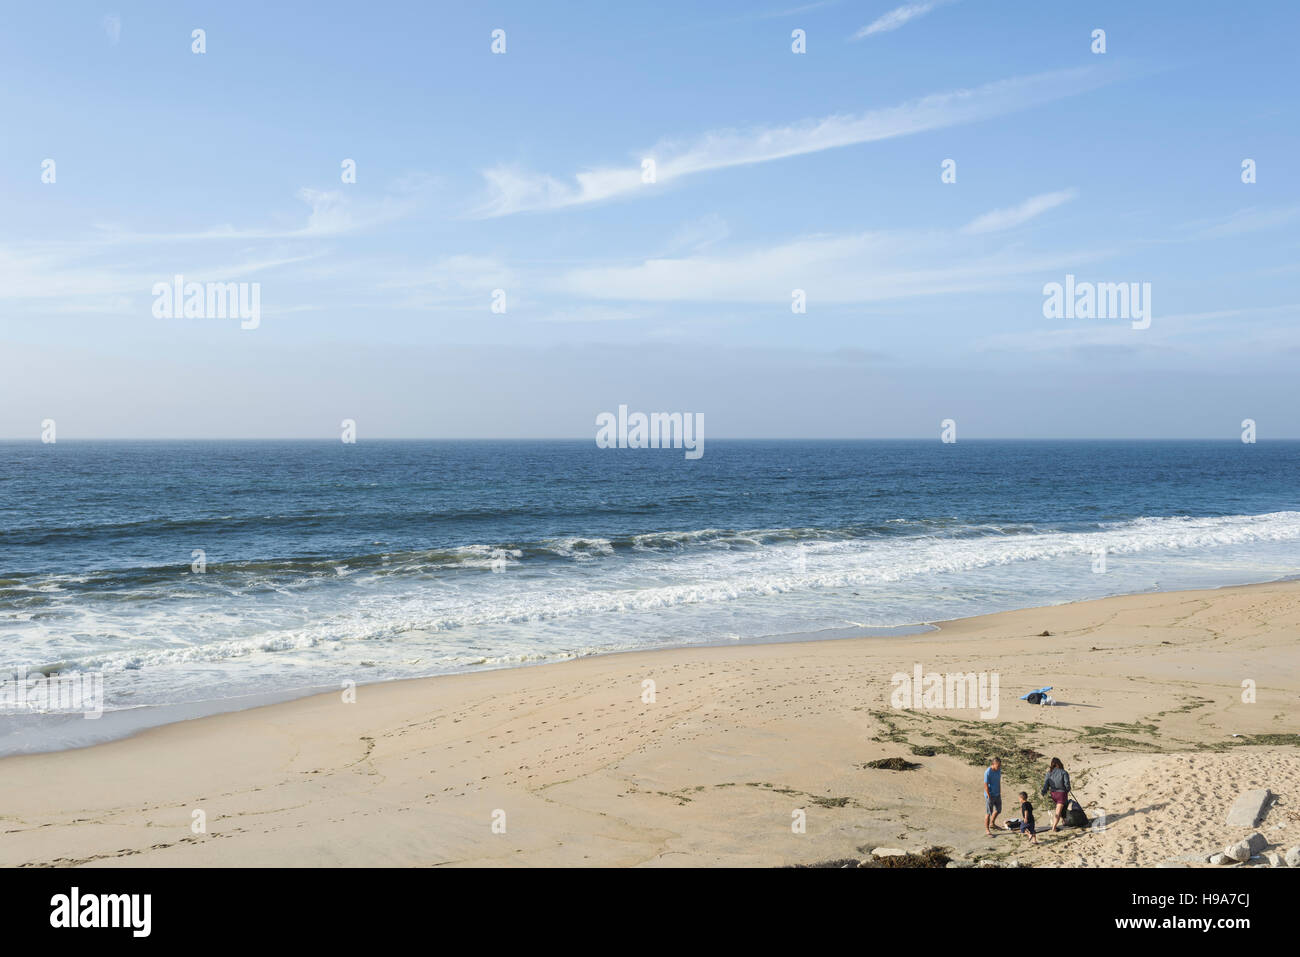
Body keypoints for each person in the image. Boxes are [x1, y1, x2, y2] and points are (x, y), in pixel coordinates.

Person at [1041, 757, 1071, 832]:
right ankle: (1054, 827)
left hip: (1053, 794)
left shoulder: (1049, 773)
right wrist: (1067, 790)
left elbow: (1046, 785)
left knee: (1061, 808)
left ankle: (1064, 821)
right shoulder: (1064, 772)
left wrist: (1043, 792)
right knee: (1058, 811)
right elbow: (1067, 784)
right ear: (1060, 763)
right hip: (1061, 794)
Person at [984, 757, 1002, 835]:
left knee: (998, 810)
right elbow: (985, 785)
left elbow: (998, 781)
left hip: (997, 794)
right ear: (993, 764)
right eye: (997, 766)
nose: (999, 767)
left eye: (1000, 765)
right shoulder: (988, 772)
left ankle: (992, 823)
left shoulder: (999, 770)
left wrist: (999, 791)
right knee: (988, 813)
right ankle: (987, 830)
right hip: (990, 795)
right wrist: (989, 796)